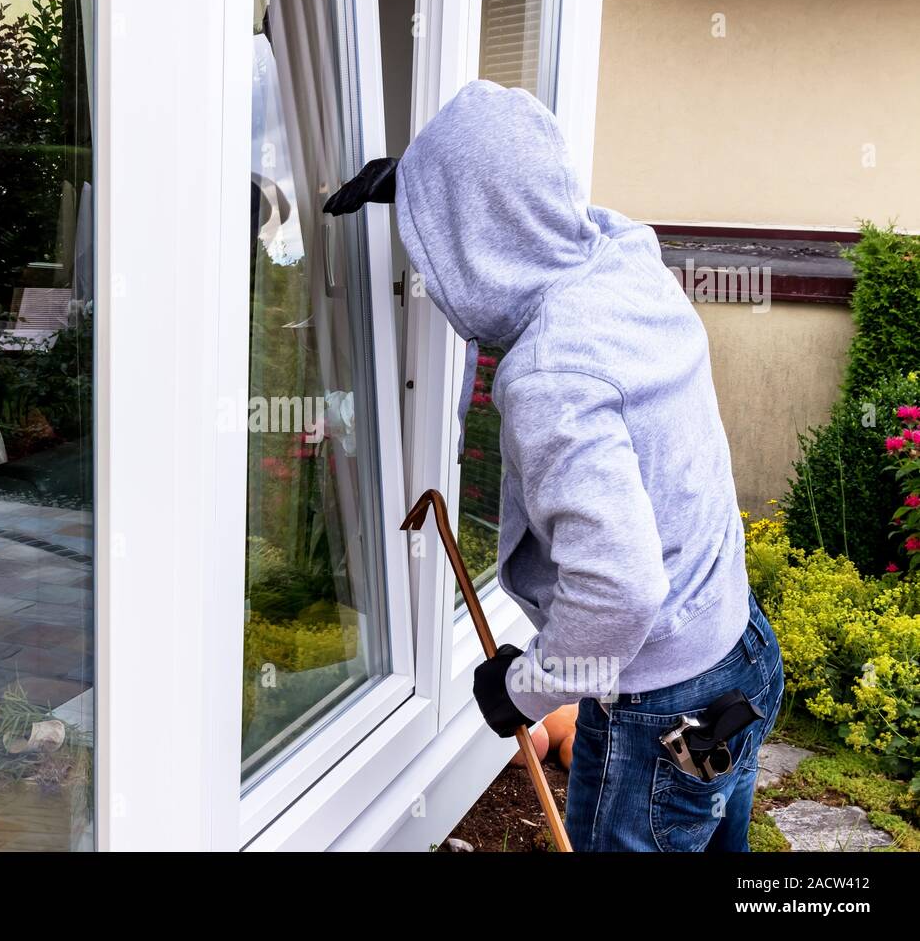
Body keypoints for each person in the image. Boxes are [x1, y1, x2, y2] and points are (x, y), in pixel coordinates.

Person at [325, 80, 783, 851]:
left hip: (665, 707)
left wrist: (523, 689)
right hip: (736, 653)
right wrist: (411, 183)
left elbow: (621, 590)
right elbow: (516, 194)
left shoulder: (552, 375)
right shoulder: (624, 257)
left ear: (473, 239)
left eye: (440, 241)